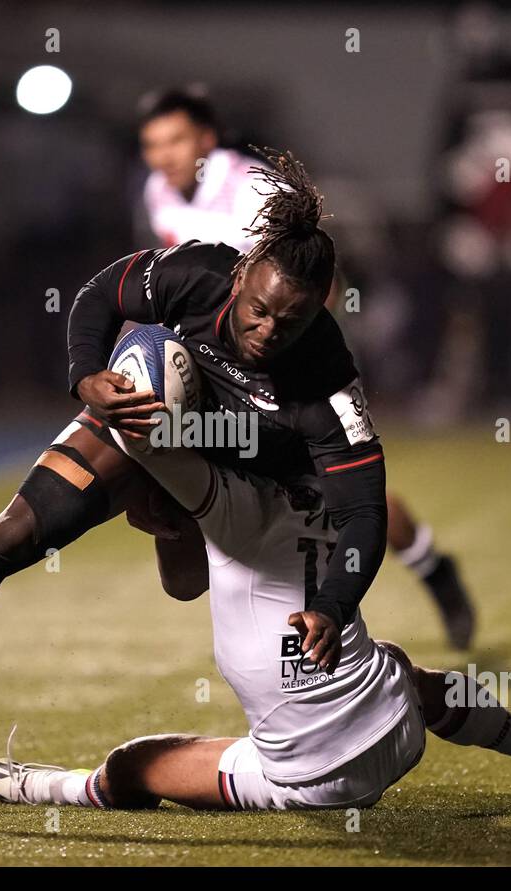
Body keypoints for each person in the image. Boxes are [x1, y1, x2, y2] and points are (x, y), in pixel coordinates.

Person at [0, 151, 395, 724]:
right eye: (258, 311)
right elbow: (98, 296)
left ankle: (168, 510)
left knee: (185, 587)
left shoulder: (329, 387)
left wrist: (331, 605)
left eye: (289, 322)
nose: (267, 331)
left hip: (246, 479)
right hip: (151, 414)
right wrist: (85, 375)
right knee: (18, 530)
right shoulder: (198, 274)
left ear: (320, 311)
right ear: (241, 276)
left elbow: (364, 513)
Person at [0, 433, 511, 810]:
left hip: (305, 777)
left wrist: (111, 373)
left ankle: (51, 788)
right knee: (402, 669)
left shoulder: (231, 502)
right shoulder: (342, 487)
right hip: (397, 725)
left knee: (135, 762)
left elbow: (157, 476)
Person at [139, 86, 476, 648]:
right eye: (152, 144)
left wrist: (297, 366)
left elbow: (313, 282)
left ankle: (432, 566)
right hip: (218, 365)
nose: (163, 155)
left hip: (286, 363)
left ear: (205, 138)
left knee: (338, 492)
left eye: (175, 140)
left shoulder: (251, 190)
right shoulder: (156, 192)